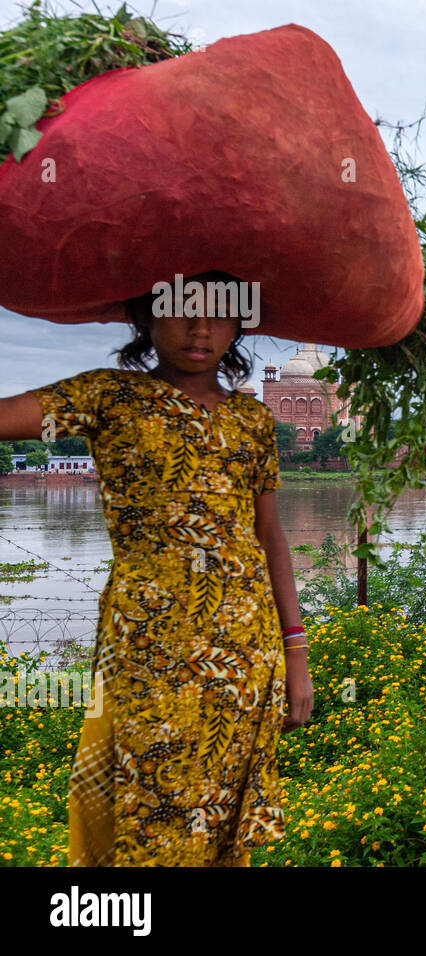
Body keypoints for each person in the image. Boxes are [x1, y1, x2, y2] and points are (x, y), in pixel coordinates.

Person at [0, 271, 313, 866]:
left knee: (222, 819)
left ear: (239, 324)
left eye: (219, 314)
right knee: (152, 806)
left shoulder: (251, 424)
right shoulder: (108, 399)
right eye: (180, 312)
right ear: (145, 318)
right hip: (148, 643)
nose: (200, 329)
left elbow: (271, 539)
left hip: (246, 652)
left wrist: (295, 656)